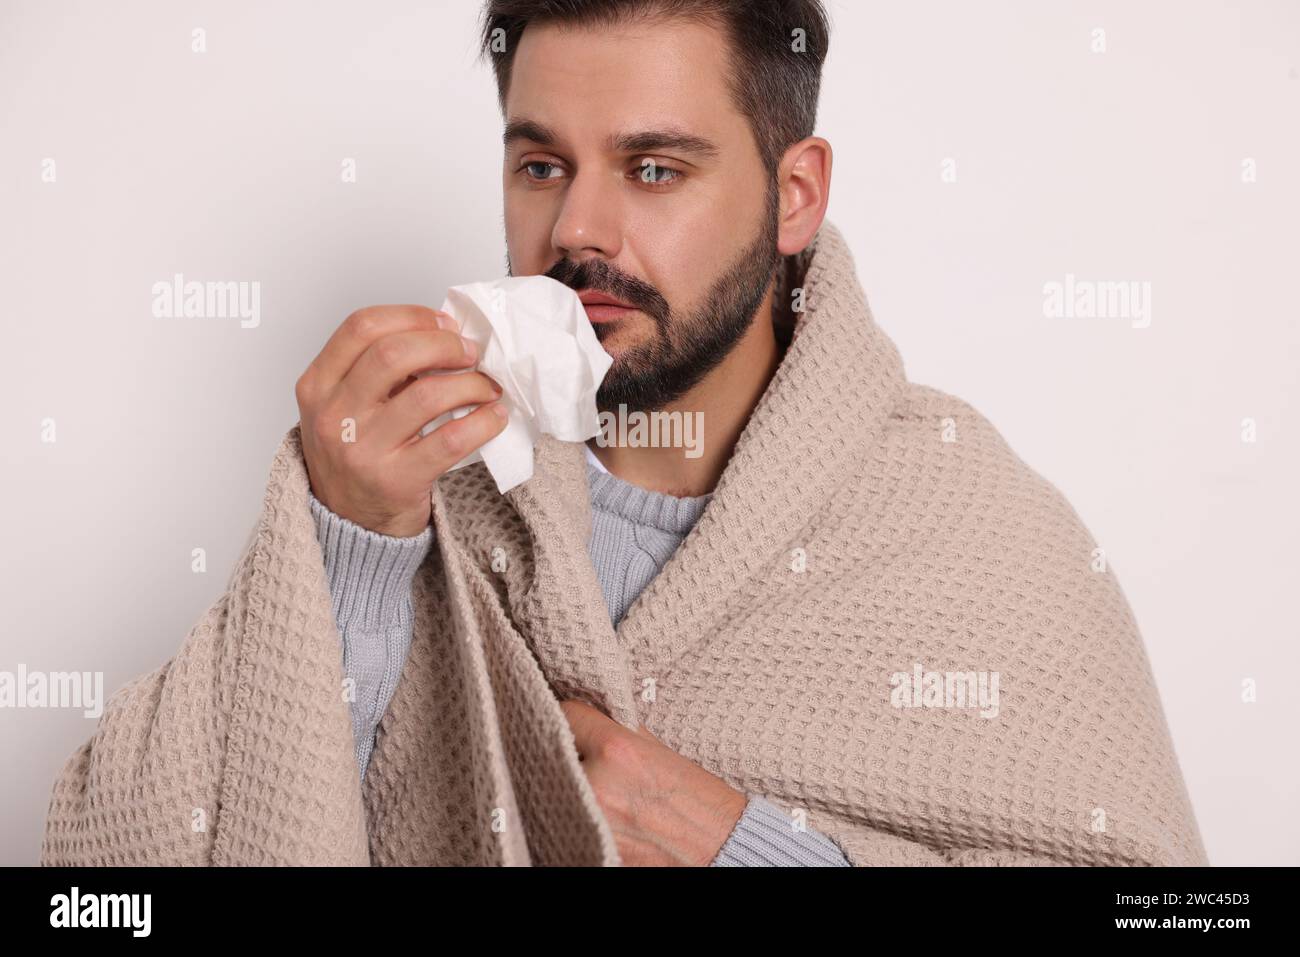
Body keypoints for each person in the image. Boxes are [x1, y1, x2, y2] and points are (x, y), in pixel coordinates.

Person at [41, 0, 1208, 866]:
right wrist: (346, 540)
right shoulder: (402, 480)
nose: (578, 227)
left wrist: (748, 849)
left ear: (794, 195)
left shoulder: (973, 525)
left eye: (654, 168)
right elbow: (108, 878)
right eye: (541, 164)